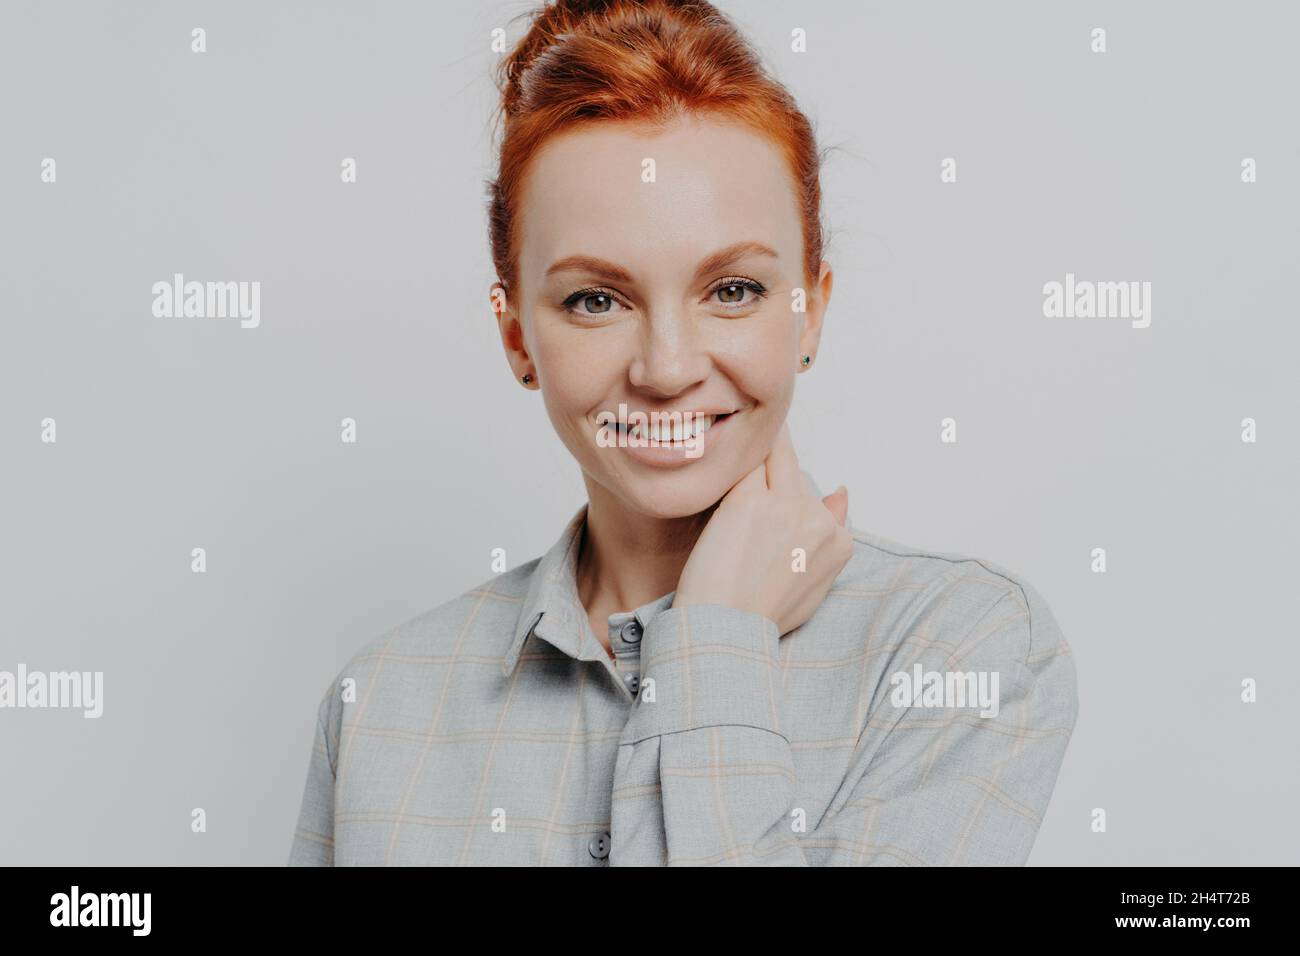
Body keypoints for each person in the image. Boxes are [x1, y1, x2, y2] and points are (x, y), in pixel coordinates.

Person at [289, 0, 1078, 866]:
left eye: (732, 289)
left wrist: (714, 642)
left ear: (809, 312)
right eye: (597, 299)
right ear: (517, 335)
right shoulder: (382, 704)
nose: (666, 369)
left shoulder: (955, 650)